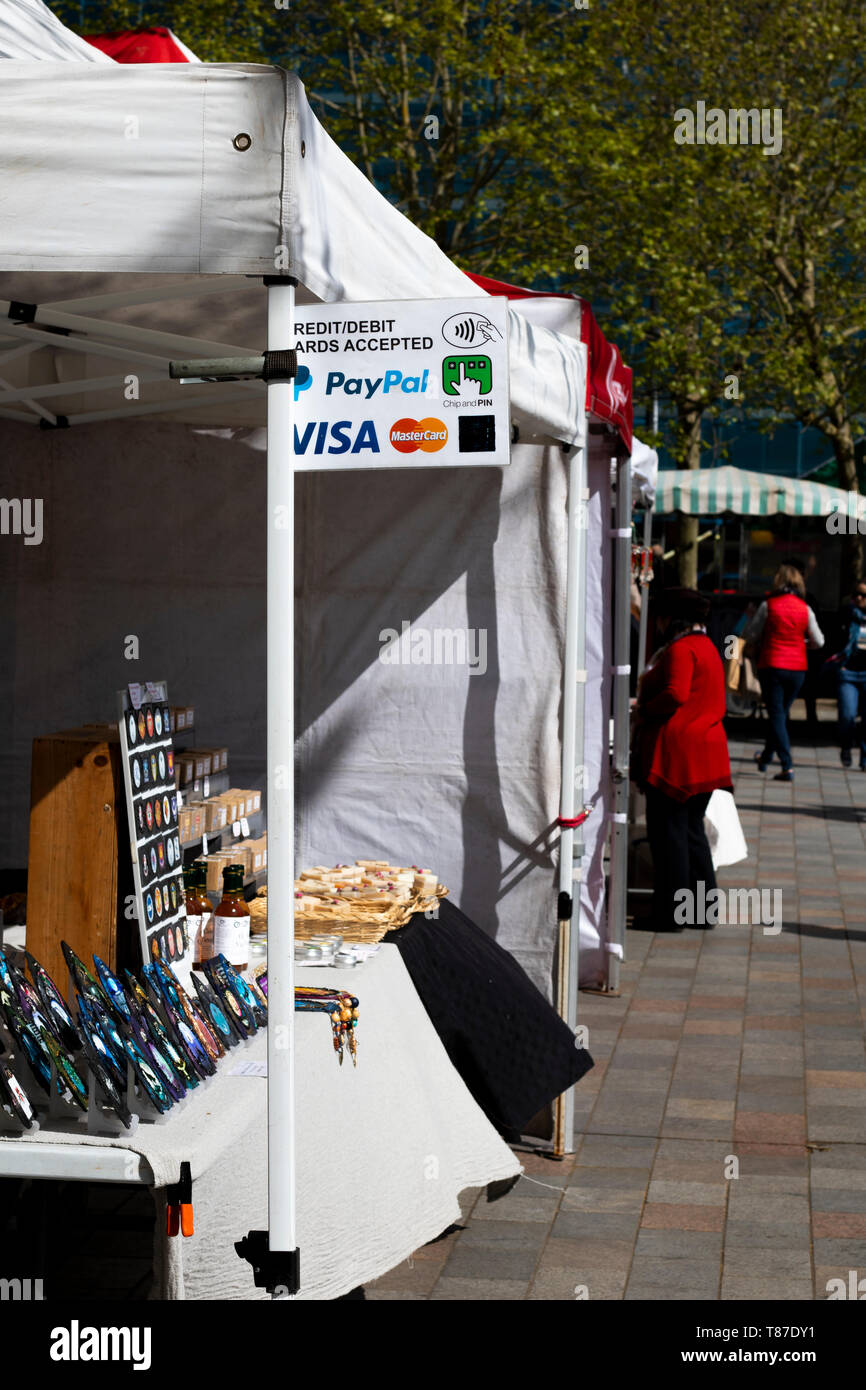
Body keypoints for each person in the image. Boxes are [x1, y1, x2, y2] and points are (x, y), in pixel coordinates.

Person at [631, 587, 732, 933]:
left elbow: (675, 692)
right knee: (691, 834)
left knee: (669, 836)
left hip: (678, 755)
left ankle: (670, 914)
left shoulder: (681, 649)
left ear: (672, 619)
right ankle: (702, 912)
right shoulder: (707, 647)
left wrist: (645, 707)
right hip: (705, 753)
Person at [744, 564, 824, 781]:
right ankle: (767, 757)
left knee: (777, 715)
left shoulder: (768, 606)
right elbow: (820, 641)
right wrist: (802, 643)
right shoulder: (805, 608)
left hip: (772, 665)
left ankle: (787, 765)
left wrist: (751, 619)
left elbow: (751, 635)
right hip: (798, 668)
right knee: (779, 715)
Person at [835, 583, 866, 768]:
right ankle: (846, 746)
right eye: (856, 594)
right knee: (847, 715)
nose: (859, 598)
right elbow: (833, 640)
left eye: (863, 595)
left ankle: (864, 757)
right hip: (848, 672)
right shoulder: (846, 614)